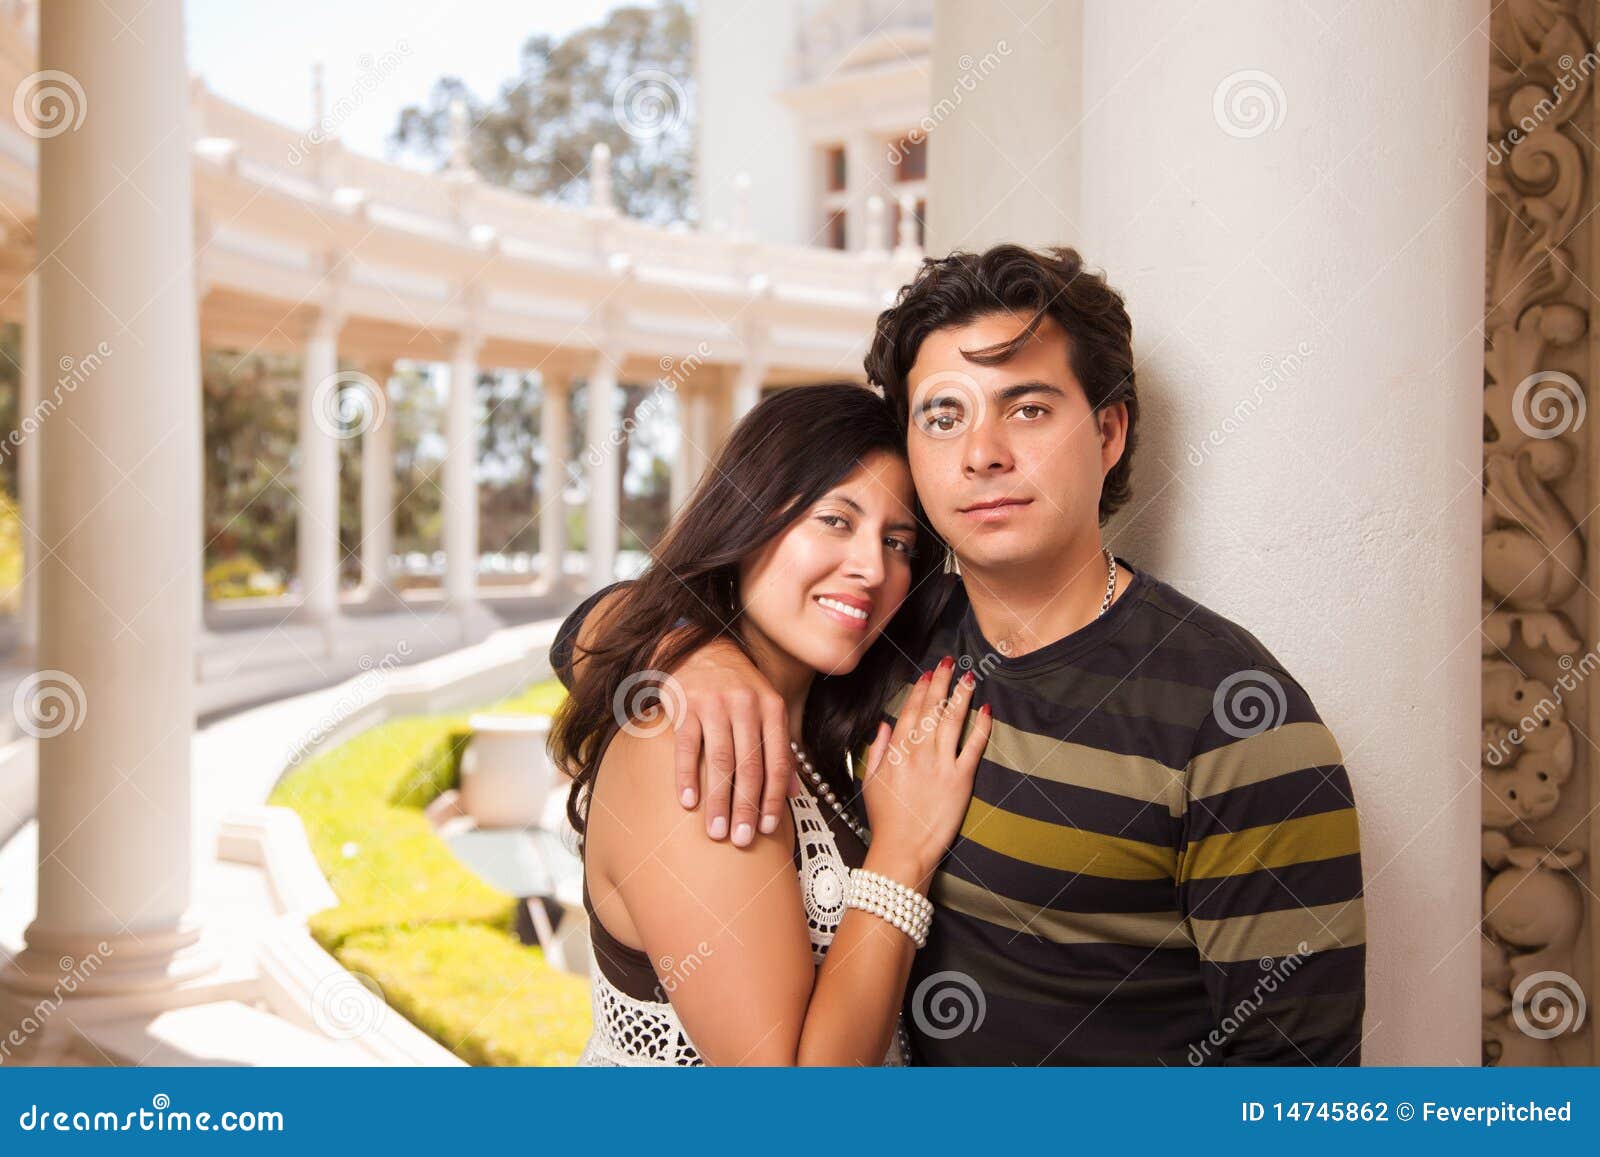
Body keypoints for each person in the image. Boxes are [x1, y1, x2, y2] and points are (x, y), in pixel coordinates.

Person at [552, 244, 1369, 1066]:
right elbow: (595, 632)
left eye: (1028, 409)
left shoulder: (1234, 716)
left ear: (1110, 431)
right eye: (944, 416)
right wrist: (692, 654)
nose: (982, 453)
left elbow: (1297, 1087)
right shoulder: (887, 639)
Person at [548, 382, 992, 1066]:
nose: (872, 568)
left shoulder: (813, 729)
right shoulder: (696, 745)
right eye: (836, 520)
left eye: (898, 541)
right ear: (745, 517)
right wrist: (903, 853)